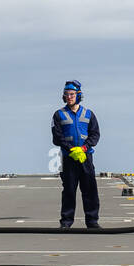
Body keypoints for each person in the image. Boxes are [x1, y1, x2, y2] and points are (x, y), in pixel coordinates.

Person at [52, 79, 100, 229]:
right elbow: (56, 137)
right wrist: (71, 149)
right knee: (69, 191)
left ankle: (92, 222)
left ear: (78, 95)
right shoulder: (59, 115)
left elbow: (95, 134)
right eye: (66, 94)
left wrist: (84, 148)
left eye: (72, 94)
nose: (69, 97)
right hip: (68, 158)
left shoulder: (89, 114)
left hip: (86, 158)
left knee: (90, 190)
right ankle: (66, 222)